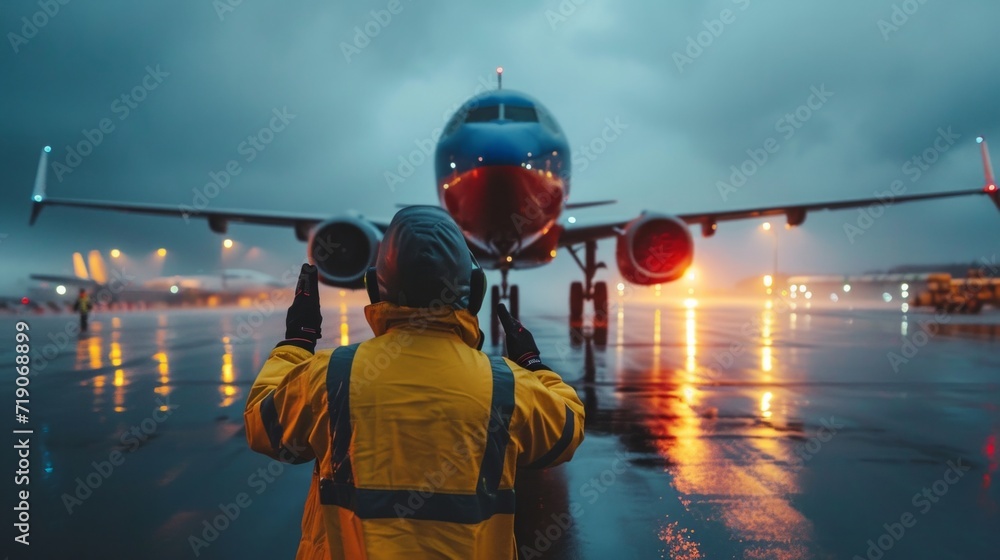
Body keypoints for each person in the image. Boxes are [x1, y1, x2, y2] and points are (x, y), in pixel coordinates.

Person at [244, 206, 585, 559]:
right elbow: (566, 433)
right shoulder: (506, 385)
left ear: (376, 289)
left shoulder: (331, 375)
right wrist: (533, 364)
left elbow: (263, 428)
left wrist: (297, 343)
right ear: (475, 291)